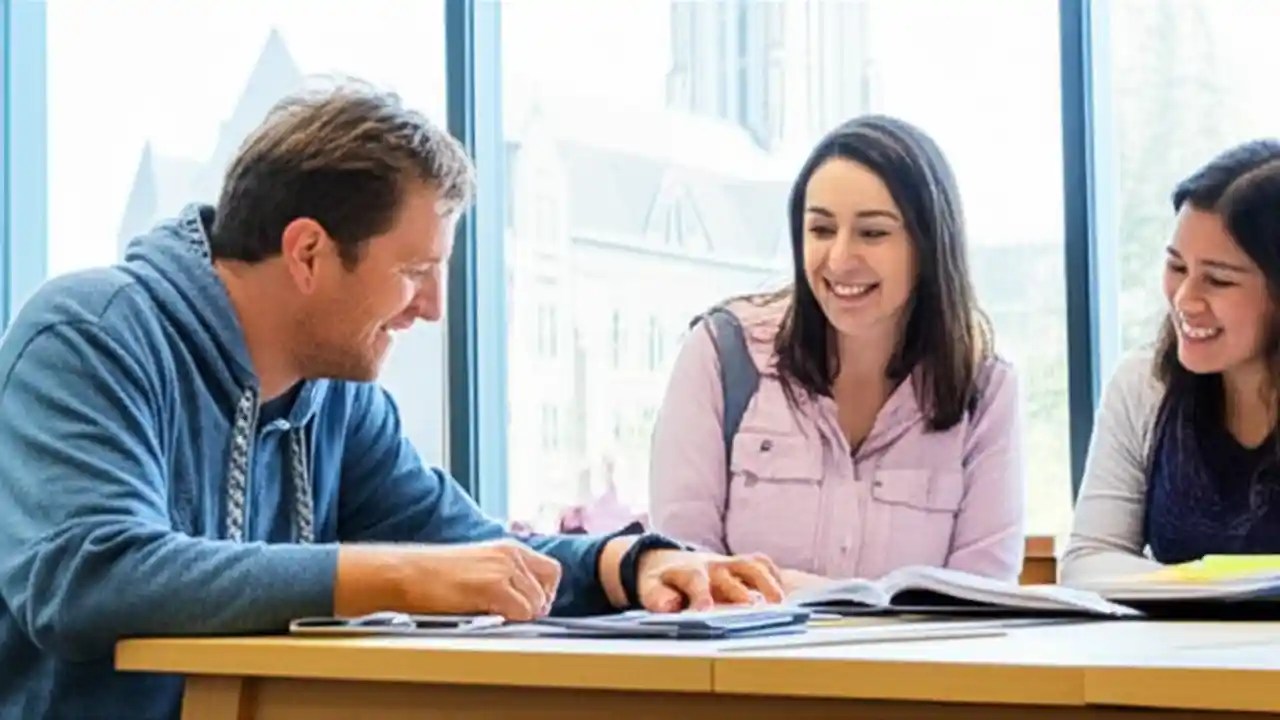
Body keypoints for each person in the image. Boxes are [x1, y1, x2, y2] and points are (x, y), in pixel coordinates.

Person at [0, 80, 783, 720]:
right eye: (414, 272)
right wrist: (397, 576)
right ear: (308, 251)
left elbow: (469, 554)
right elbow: (88, 577)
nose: (432, 308)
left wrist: (627, 565)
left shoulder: (335, 397)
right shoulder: (90, 336)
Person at [648, 115, 1025, 588]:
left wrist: (792, 588)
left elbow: (982, 595)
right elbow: (685, 569)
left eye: (873, 233)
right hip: (744, 640)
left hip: (917, 645)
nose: (840, 259)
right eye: (822, 229)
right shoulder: (721, 355)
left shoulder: (985, 387)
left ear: (929, 244)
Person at [1061, 139, 1280, 584]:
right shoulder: (1144, 384)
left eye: (1218, 280)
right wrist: (1206, 588)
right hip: (1177, 632)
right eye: (1177, 268)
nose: (1184, 300)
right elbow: (1088, 560)